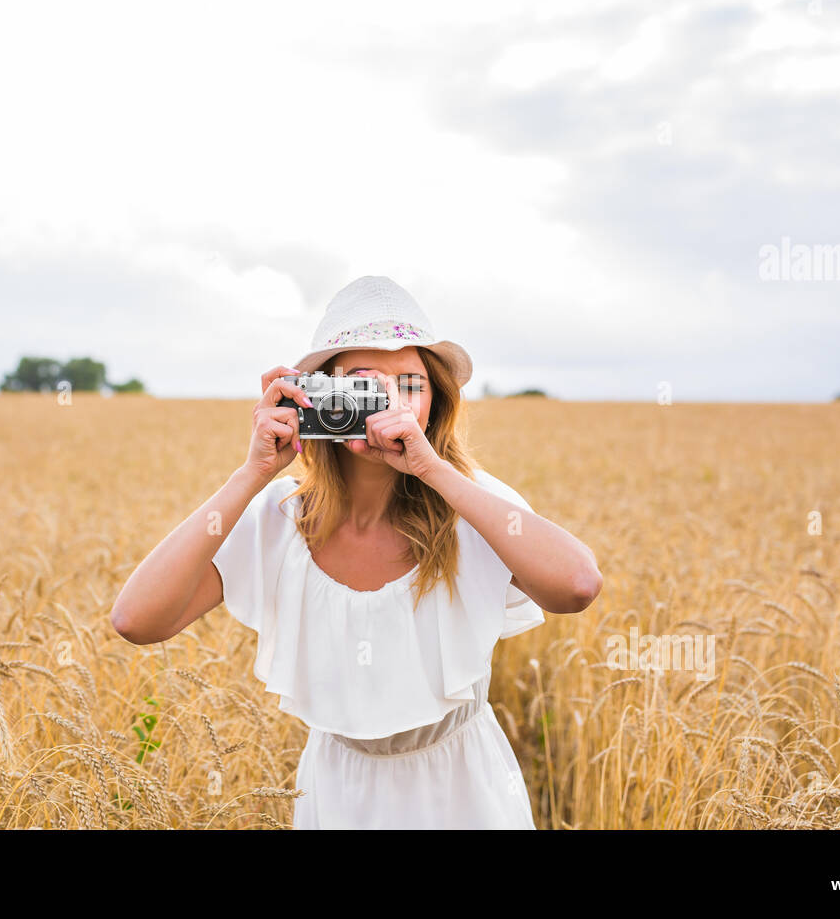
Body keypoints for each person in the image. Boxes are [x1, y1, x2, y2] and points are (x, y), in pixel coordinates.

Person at [111, 276, 602, 828]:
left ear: (436, 403)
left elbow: (577, 586)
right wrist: (252, 473)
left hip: (464, 790)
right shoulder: (279, 519)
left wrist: (433, 469)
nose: (386, 405)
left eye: (410, 386)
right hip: (336, 793)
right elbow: (136, 620)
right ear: (314, 397)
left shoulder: (473, 504)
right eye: (363, 386)